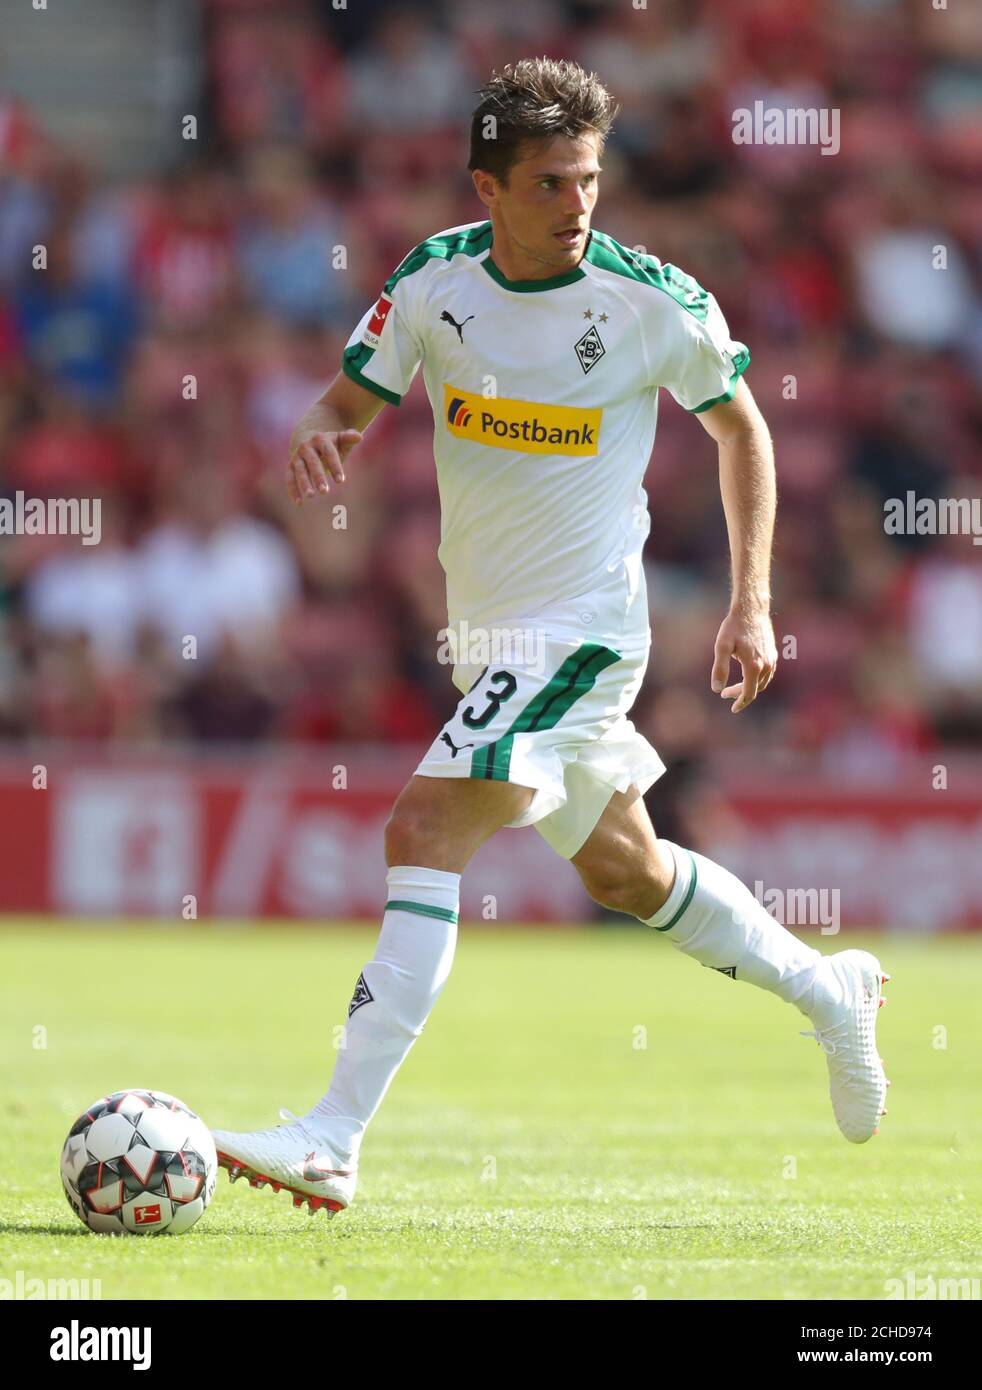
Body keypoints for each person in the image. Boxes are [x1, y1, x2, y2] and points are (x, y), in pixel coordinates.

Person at [213, 58, 889, 1219]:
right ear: (488, 188)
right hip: (487, 637)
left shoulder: (649, 300)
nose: (577, 203)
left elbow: (744, 432)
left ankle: (330, 1136)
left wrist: (752, 601)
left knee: (422, 824)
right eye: (548, 182)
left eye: (588, 177)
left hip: (579, 631)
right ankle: (828, 988)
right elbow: (344, 401)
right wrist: (323, 438)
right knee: (627, 871)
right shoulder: (432, 283)